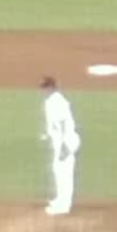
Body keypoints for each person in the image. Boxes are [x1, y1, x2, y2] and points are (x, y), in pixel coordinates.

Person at [40, 76, 81, 216]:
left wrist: (64, 145)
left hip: (67, 141)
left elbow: (63, 123)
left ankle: (64, 205)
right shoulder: (50, 101)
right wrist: (48, 134)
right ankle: (60, 199)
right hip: (60, 141)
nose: (43, 90)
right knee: (58, 170)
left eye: (45, 87)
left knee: (65, 173)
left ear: (52, 87)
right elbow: (53, 123)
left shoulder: (58, 102)